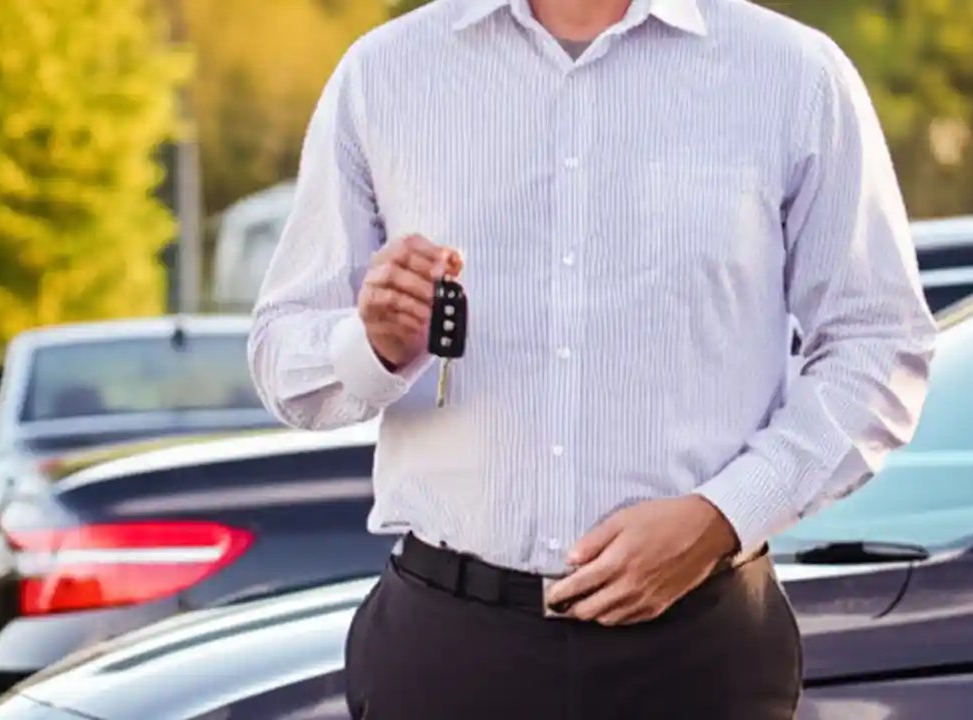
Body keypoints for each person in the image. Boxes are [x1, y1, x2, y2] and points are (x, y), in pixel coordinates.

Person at [247, 0, 937, 717]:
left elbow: (879, 343)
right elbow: (282, 358)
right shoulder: (384, 75)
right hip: (448, 652)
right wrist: (374, 346)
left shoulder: (795, 76)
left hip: (697, 652)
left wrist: (722, 517)